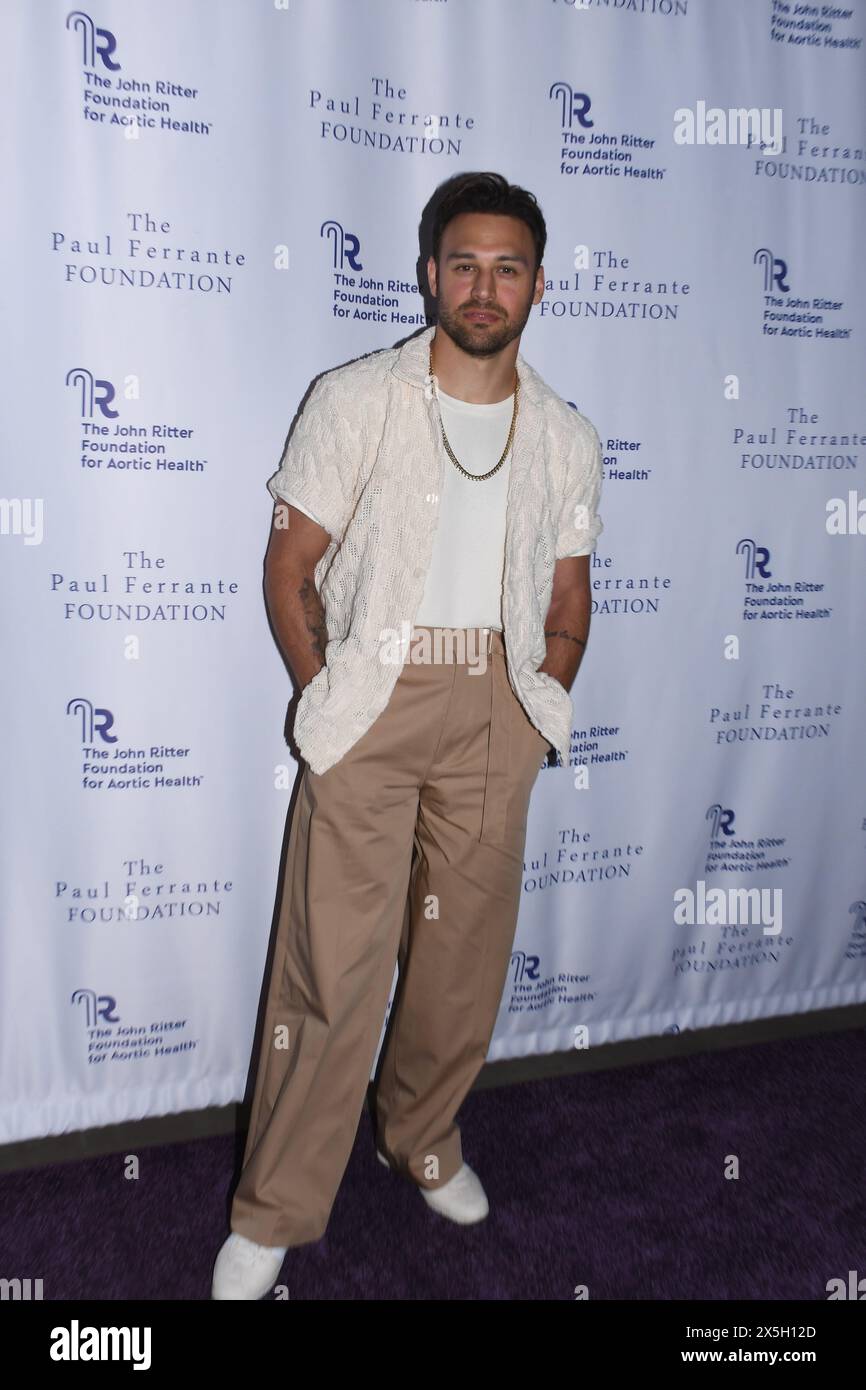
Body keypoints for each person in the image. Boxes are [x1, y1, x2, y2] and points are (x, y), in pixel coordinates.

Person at [212, 171, 604, 1299]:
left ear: (539, 283)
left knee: (459, 967)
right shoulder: (354, 399)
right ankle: (277, 1204)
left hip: (495, 709)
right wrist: (330, 697)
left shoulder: (566, 437)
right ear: (428, 272)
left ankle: (423, 1137)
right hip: (371, 703)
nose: (485, 287)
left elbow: (567, 600)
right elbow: (290, 570)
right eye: (464, 263)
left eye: (509, 266)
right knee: (329, 971)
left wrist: (532, 702)